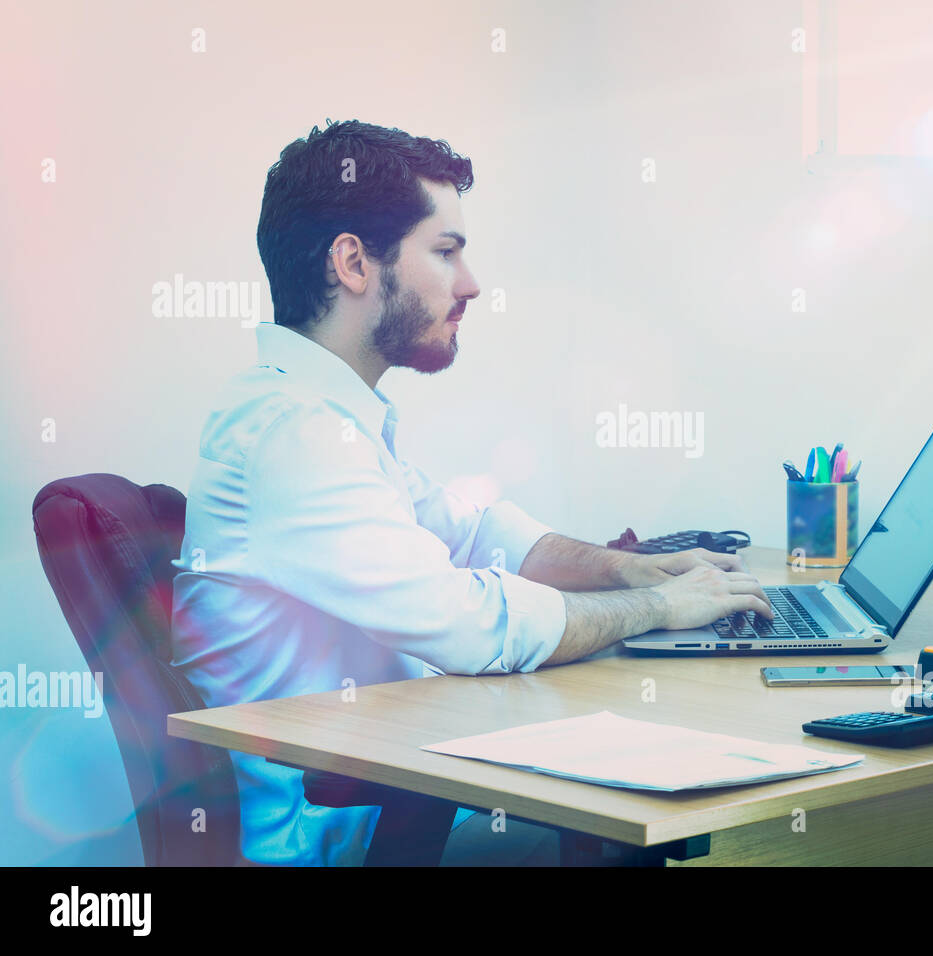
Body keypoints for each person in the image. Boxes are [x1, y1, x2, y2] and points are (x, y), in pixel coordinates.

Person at [170, 119, 772, 866]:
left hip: (400, 809)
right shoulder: (294, 438)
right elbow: (474, 628)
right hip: (347, 842)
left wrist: (632, 571)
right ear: (354, 262)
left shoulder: (323, 418)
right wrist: (657, 610)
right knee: (698, 842)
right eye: (446, 252)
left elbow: (478, 532)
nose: (471, 284)